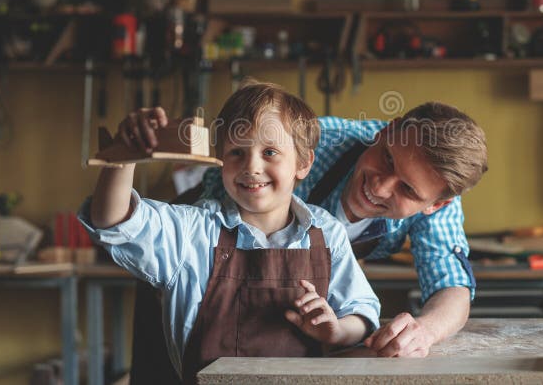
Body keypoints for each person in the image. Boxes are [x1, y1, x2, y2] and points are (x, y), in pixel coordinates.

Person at [79, 82, 381, 382]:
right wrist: (123, 156)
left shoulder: (327, 233)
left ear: (303, 163)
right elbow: (115, 223)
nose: (251, 166)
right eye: (236, 152)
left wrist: (337, 330)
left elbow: (362, 312)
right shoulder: (194, 232)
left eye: (270, 152)